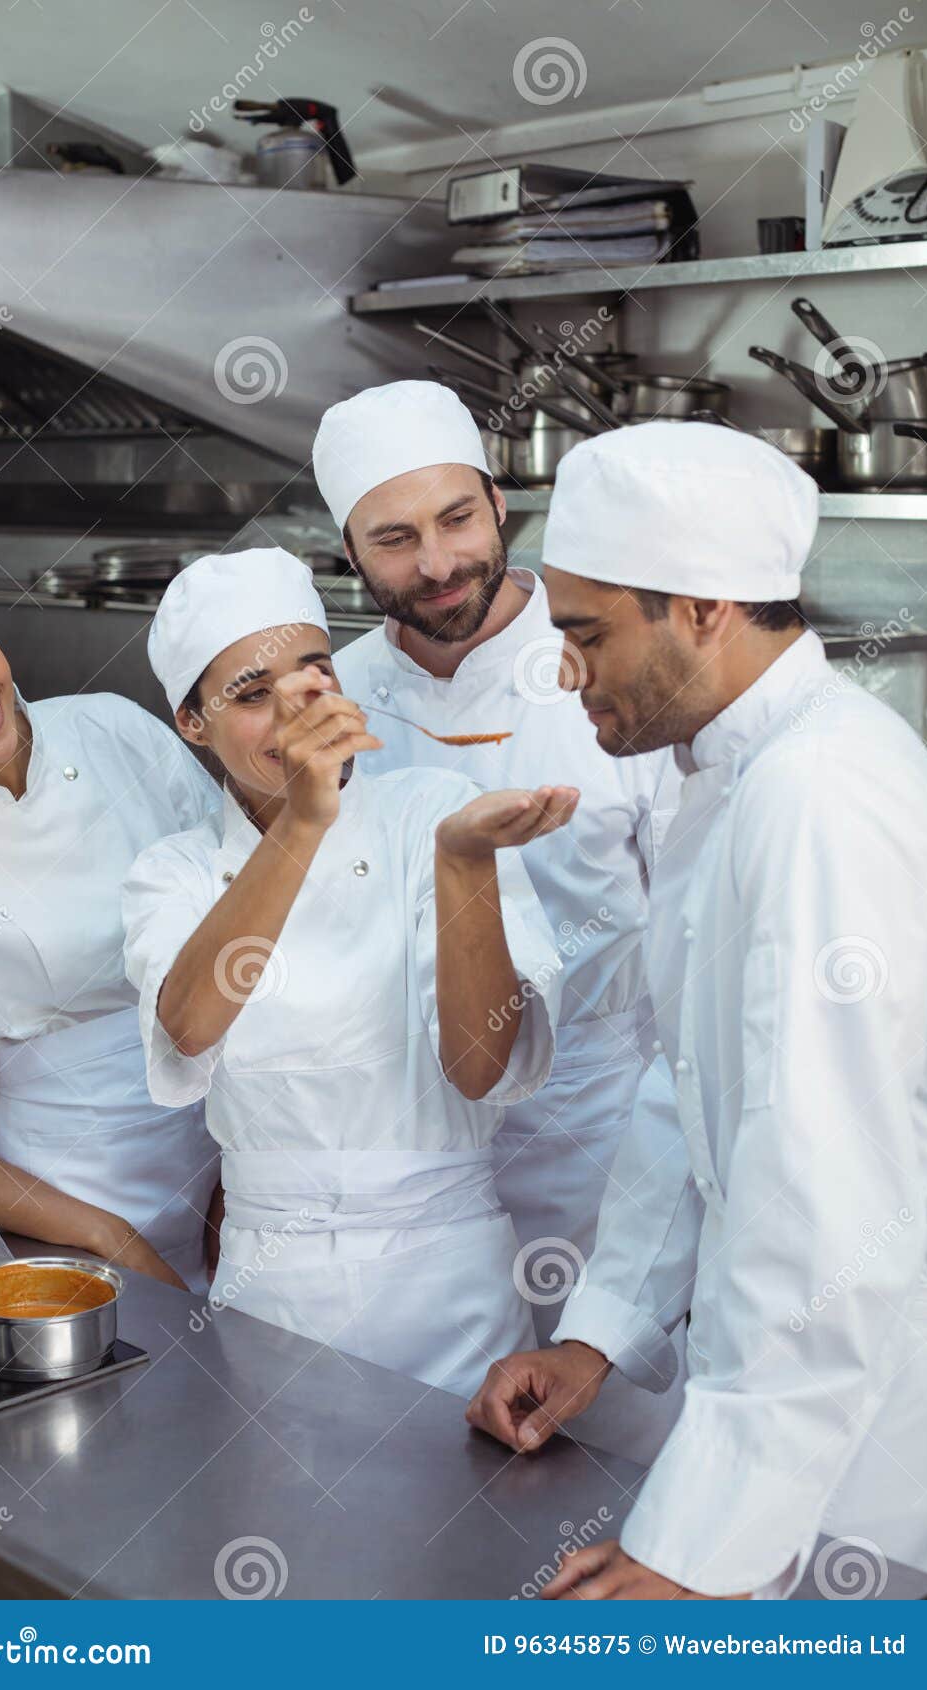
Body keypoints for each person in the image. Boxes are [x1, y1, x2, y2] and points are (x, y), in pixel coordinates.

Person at [466, 421, 927, 1598]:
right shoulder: (725, 777)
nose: (563, 670)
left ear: (702, 610)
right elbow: (688, 1085)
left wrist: (699, 1545)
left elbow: (826, 1198)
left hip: (851, 1445)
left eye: (583, 632)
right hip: (776, 1419)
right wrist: (597, 1333)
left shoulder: (814, 800)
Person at [314, 379, 685, 1461]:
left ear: (498, 503)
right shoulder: (328, 699)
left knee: (616, 1467)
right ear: (346, 550)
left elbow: (694, 935)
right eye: (393, 539)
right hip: (406, 1164)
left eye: (456, 519)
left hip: (601, 1140)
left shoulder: (612, 675)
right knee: (428, 1476)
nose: (434, 563)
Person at [121, 546, 575, 1396]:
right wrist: (302, 820)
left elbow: (478, 1070)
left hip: (453, 1283)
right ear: (192, 724)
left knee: (476, 1520)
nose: (299, 706)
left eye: (315, 672)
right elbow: (188, 1025)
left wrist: (463, 864)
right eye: (252, 694)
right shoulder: (172, 873)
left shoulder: (436, 814)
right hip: (273, 1292)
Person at [0, 534, 222, 1290]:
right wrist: (105, 1232)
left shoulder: (114, 728)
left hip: (240, 1133)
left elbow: (240, 910)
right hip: (66, 1193)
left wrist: (253, 1154)